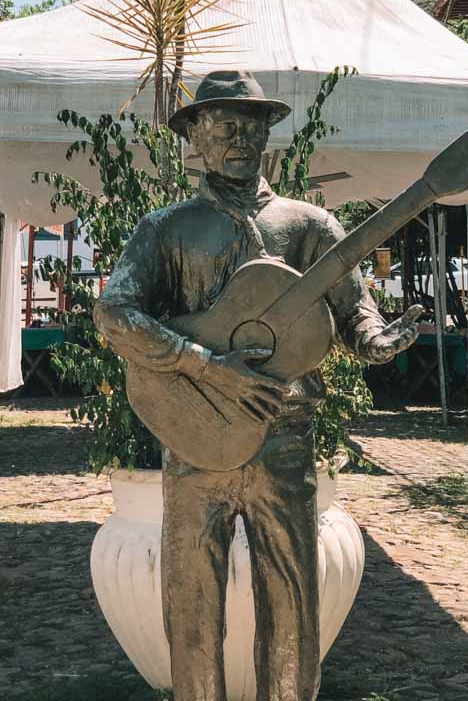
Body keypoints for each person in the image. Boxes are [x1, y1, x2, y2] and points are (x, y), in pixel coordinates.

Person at [94, 71, 421, 701]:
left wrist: (381, 341)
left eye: (253, 125)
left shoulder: (310, 226)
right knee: (191, 605)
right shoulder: (165, 229)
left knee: (293, 599)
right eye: (223, 124)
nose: (240, 138)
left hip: (285, 438)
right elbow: (114, 313)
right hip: (195, 440)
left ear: (270, 135)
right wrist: (203, 363)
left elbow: (355, 317)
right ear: (195, 135)